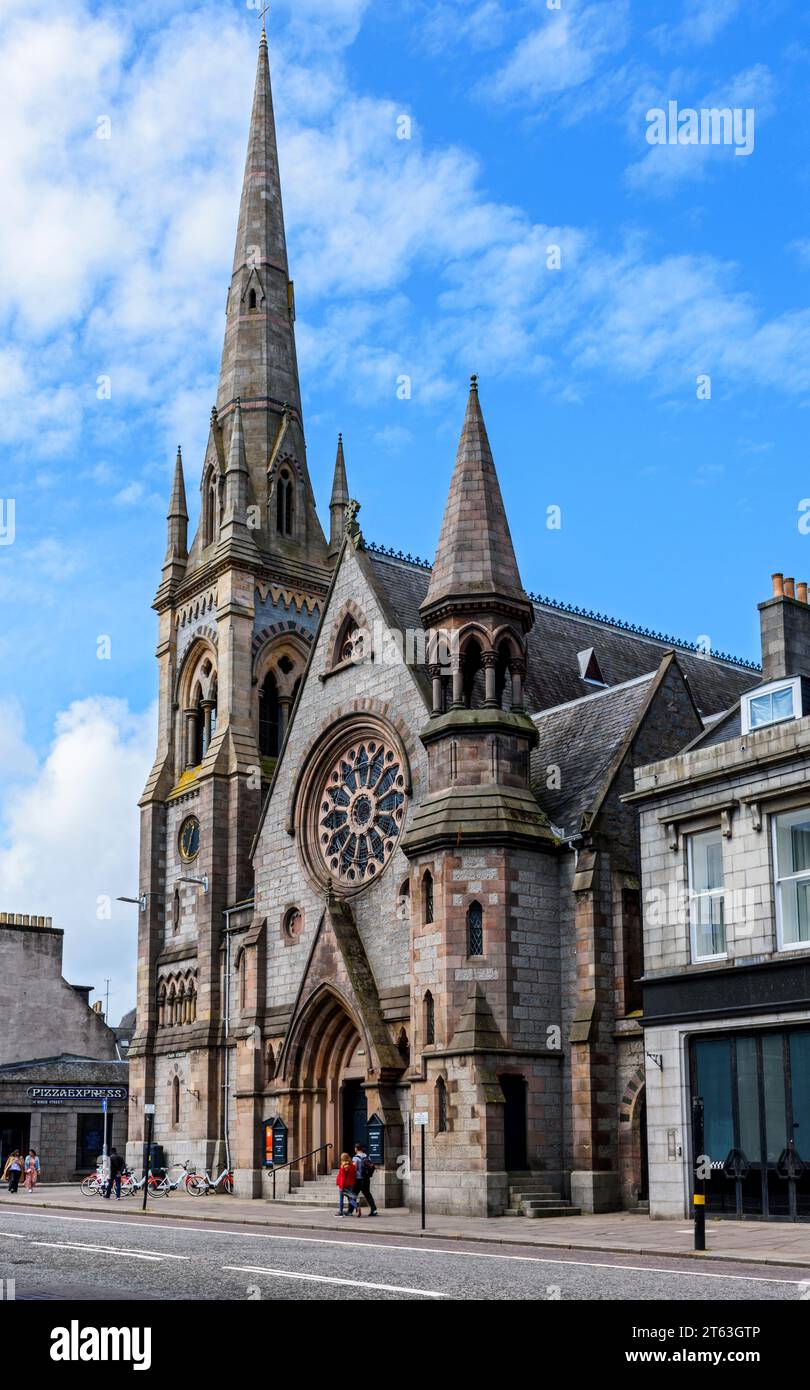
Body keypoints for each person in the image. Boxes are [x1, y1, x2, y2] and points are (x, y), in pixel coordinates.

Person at [352, 1142, 378, 1216]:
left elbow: (354, 1168)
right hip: (366, 1179)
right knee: (368, 1195)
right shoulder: (367, 1156)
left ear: (356, 1149)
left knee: (353, 1195)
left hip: (358, 1179)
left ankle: (350, 1211)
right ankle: (374, 1210)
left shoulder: (355, 1158)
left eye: (355, 1148)